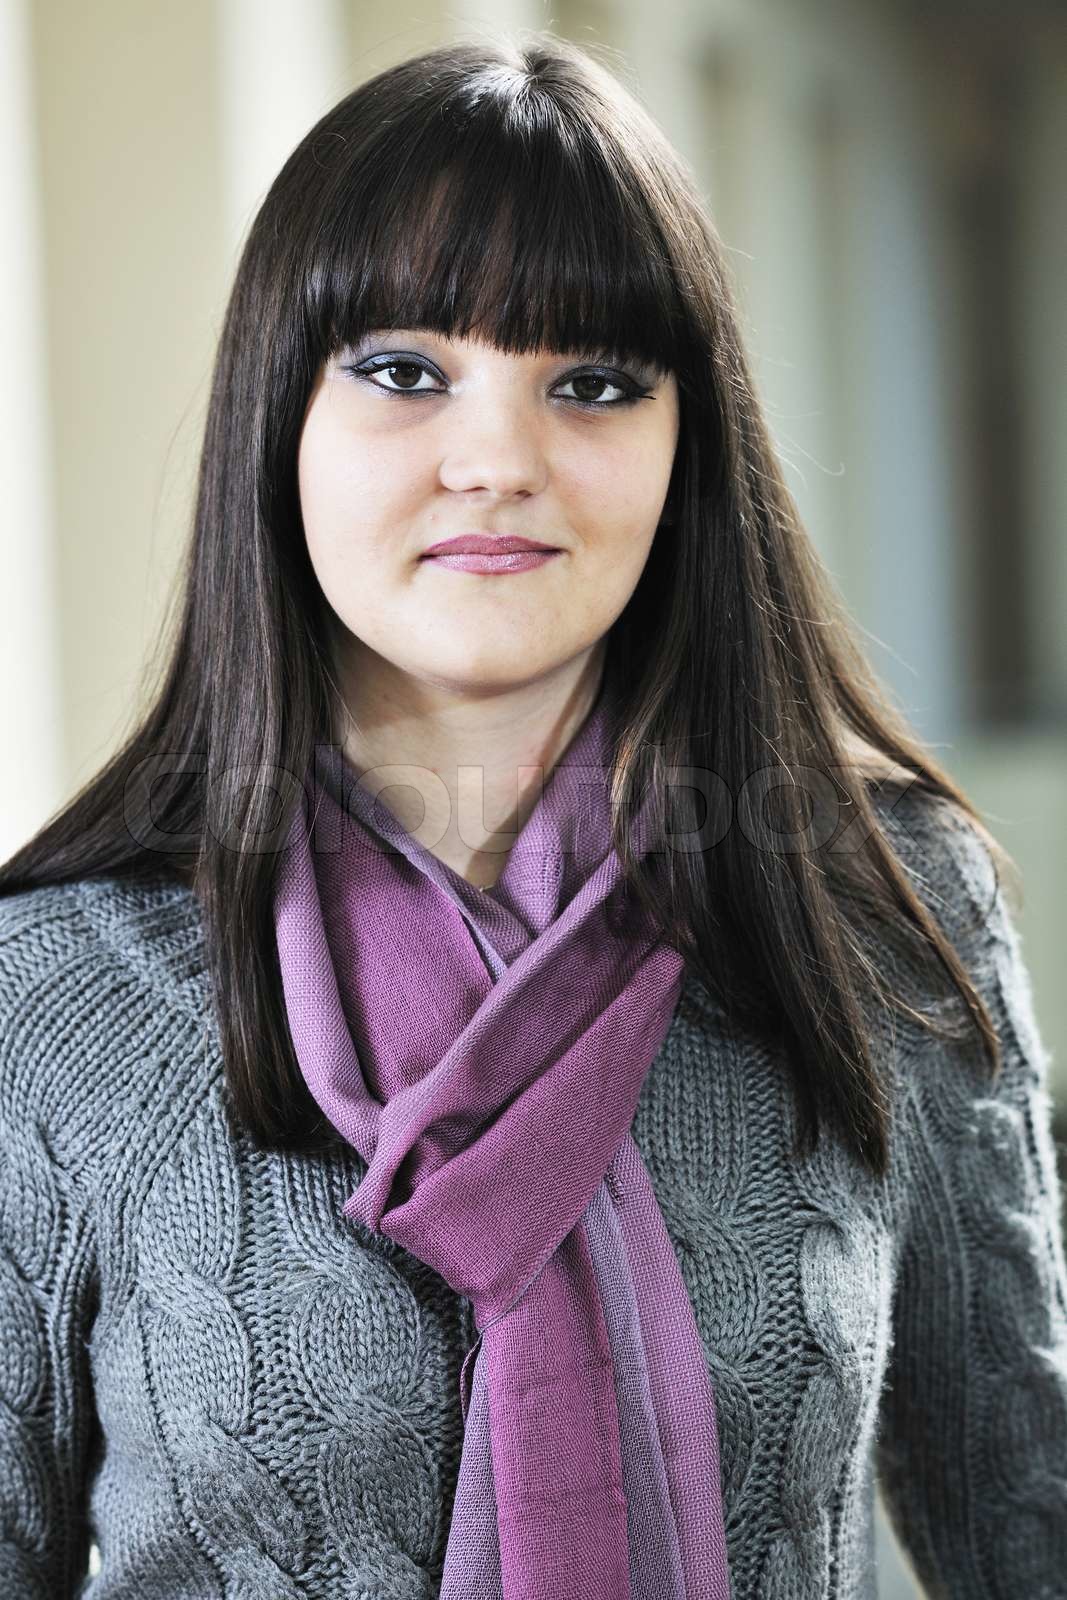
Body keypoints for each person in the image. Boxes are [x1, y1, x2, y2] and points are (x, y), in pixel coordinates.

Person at [1, 29, 1064, 1600]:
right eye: (404, 371)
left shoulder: (885, 907)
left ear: (684, 446)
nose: (496, 459)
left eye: (594, 383)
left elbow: (1029, 1530)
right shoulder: (53, 995)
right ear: (276, 416)